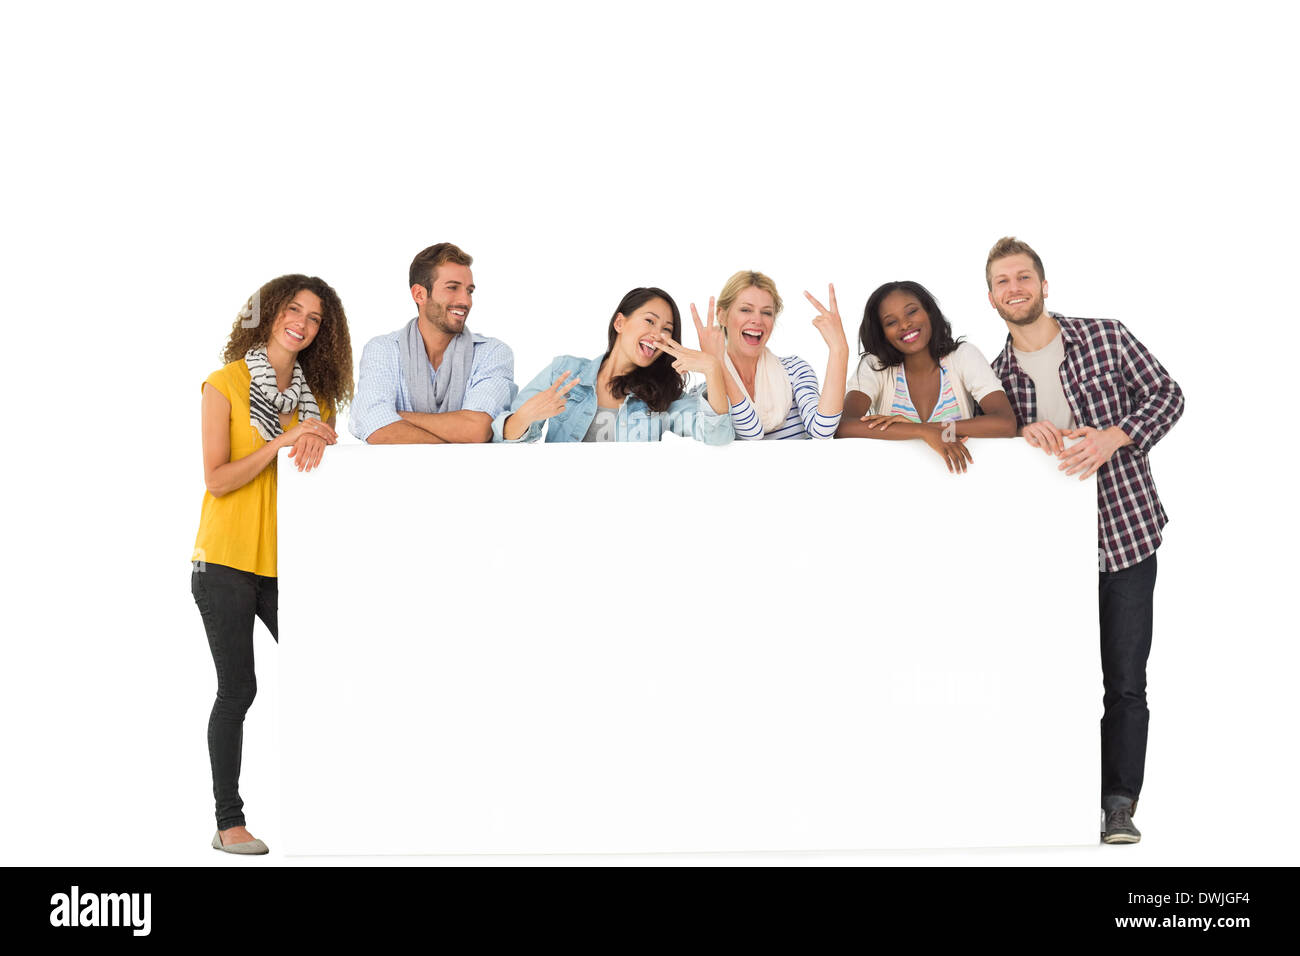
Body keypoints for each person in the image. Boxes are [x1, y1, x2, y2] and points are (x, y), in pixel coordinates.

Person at [984, 236, 1184, 845]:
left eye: (1023, 277)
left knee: (1124, 677)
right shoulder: (992, 377)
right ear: (991, 298)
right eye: (1002, 281)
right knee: (1047, 674)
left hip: (1124, 534)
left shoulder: (1106, 335)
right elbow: (985, 447)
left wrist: (1115, 435)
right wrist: (1021, 436)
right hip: (1045, 554)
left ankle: (1118, 804)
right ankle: (1047, 801)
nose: (1014, 288)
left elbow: (1169, 396)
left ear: (1044, 285)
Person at [192, 274, 354, 854]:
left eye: (315, 318)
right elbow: (216, 479)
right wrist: (278, 444)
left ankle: (341, 807)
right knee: (238, 689)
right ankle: (228, 821)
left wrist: (322, 438)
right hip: (228, 562)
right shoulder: (225, 384)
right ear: (268, 315)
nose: (303, 324)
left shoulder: (320, 402)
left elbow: (327, 476)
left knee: (331, 673)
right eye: (294, 310)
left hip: (292, 563)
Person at [492, 287, 733, 444]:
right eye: (650, 321)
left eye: (667, 330)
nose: (658, 335)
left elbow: (719, 435)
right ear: (620, 322)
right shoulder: (565, 371)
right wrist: (525, 417)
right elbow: (500, 439)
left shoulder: (663, 395)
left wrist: (713, 367)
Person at [835, 280, 1017, 470]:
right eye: (891, 322)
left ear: (929, 312)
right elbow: (844, 427)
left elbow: (1005, 423)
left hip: (958, 479)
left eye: (912, 311)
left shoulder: (963, 356)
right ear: (882, 333)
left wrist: (935, 429)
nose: (905, 324)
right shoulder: (875, 366)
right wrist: (921, 430)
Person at [349, 242, 516, 443]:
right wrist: (456, 438)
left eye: (469, 290)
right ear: (419, 294)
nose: (466, 301)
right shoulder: (382, 350)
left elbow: (477, 430)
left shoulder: (492, 353)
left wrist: (394, 416)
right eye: (452, 288)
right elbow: (376, 428)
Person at [691, 270, 848, 440]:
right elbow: (752, 433)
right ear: (722, 316)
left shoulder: (795, 370)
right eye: (746, 309)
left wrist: (839, 350)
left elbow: (822, 430)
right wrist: (717, 363)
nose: (757, 320)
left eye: (766, 312)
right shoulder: (709, 392)